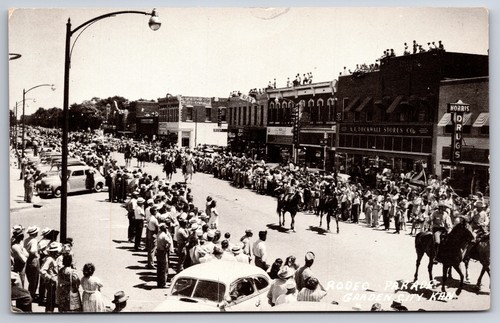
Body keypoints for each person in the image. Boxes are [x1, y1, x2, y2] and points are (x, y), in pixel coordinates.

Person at [40, 242, 61, 312]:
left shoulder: (52, 259)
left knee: (52, 301)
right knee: (50, 302)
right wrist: (50, 278)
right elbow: (42, 271)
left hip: (53, 283)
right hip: (51, 283)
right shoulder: (50, 259)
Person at [24, 226, 40, 300]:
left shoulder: (26, 240)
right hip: (33, 260)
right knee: (34, 280)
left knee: (30, 279)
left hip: (27, 261)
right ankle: (32, 295)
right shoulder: (34, 240)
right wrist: (37, 255)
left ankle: (31, 294)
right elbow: (33, 250)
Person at [157, 223, 174, 288]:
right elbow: (169, 242)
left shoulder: (158, 234)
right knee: (164, 268)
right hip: (163, 252)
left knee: (159, 268)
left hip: (159, 251)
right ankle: (163, 283)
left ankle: (159, 283)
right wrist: (167, 247)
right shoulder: (164, 235)